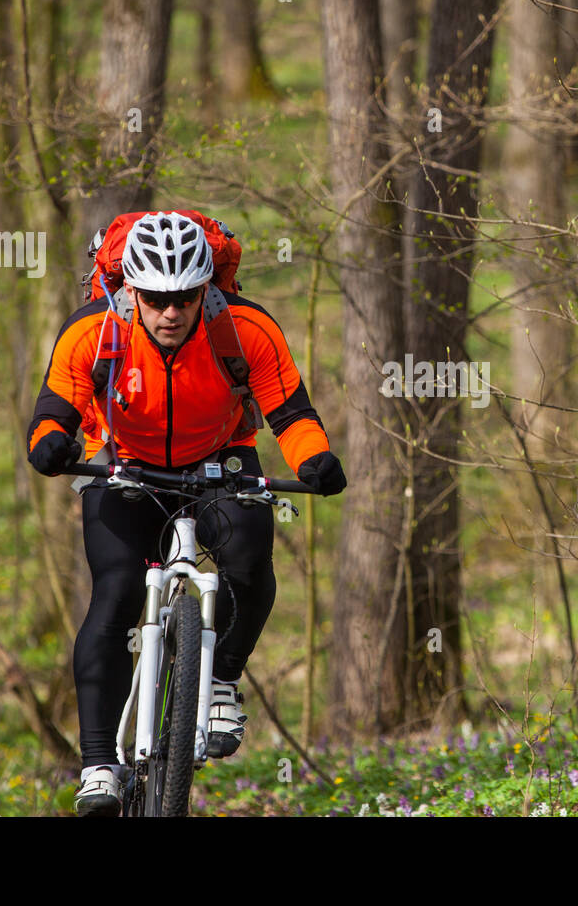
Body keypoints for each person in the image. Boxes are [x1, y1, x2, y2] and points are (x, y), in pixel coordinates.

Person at [25, 212, 346, 816]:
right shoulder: (92, 333)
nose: (171, 312)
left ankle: (222, 675)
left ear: (208, 289)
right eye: (155, 298)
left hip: (221, 460)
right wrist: (50, 443)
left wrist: (316, 458)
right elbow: (55, 408)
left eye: (185, 297)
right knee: (116, 592)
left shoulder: (245, 330)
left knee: (249, 560)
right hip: (125, 463)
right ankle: (99, 764)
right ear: (130, 291)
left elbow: (291, 412)